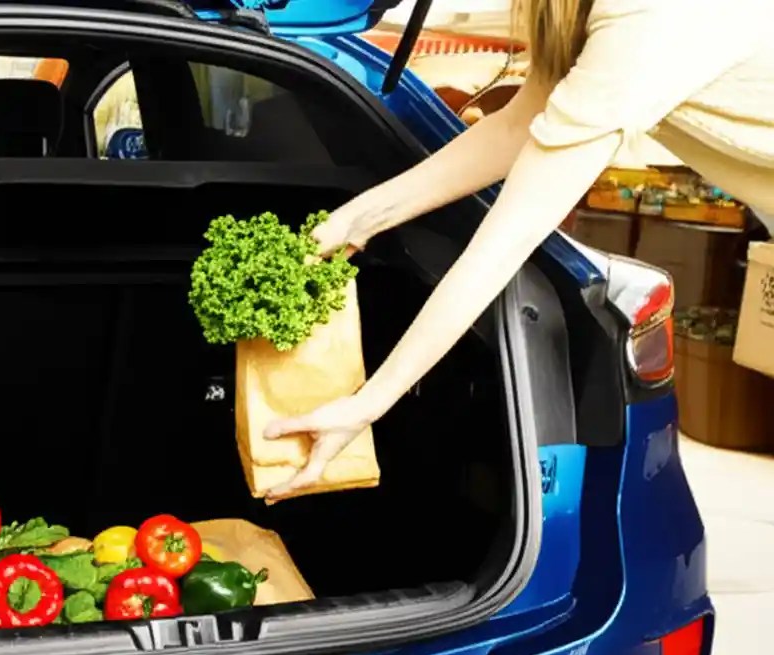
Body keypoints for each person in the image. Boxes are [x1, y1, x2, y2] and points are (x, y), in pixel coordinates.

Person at [262, 0, 774, 500]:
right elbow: (515, 125)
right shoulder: (581, 14)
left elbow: (507, 238)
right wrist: (356, 219)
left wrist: (367, 403)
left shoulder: (653, 17)